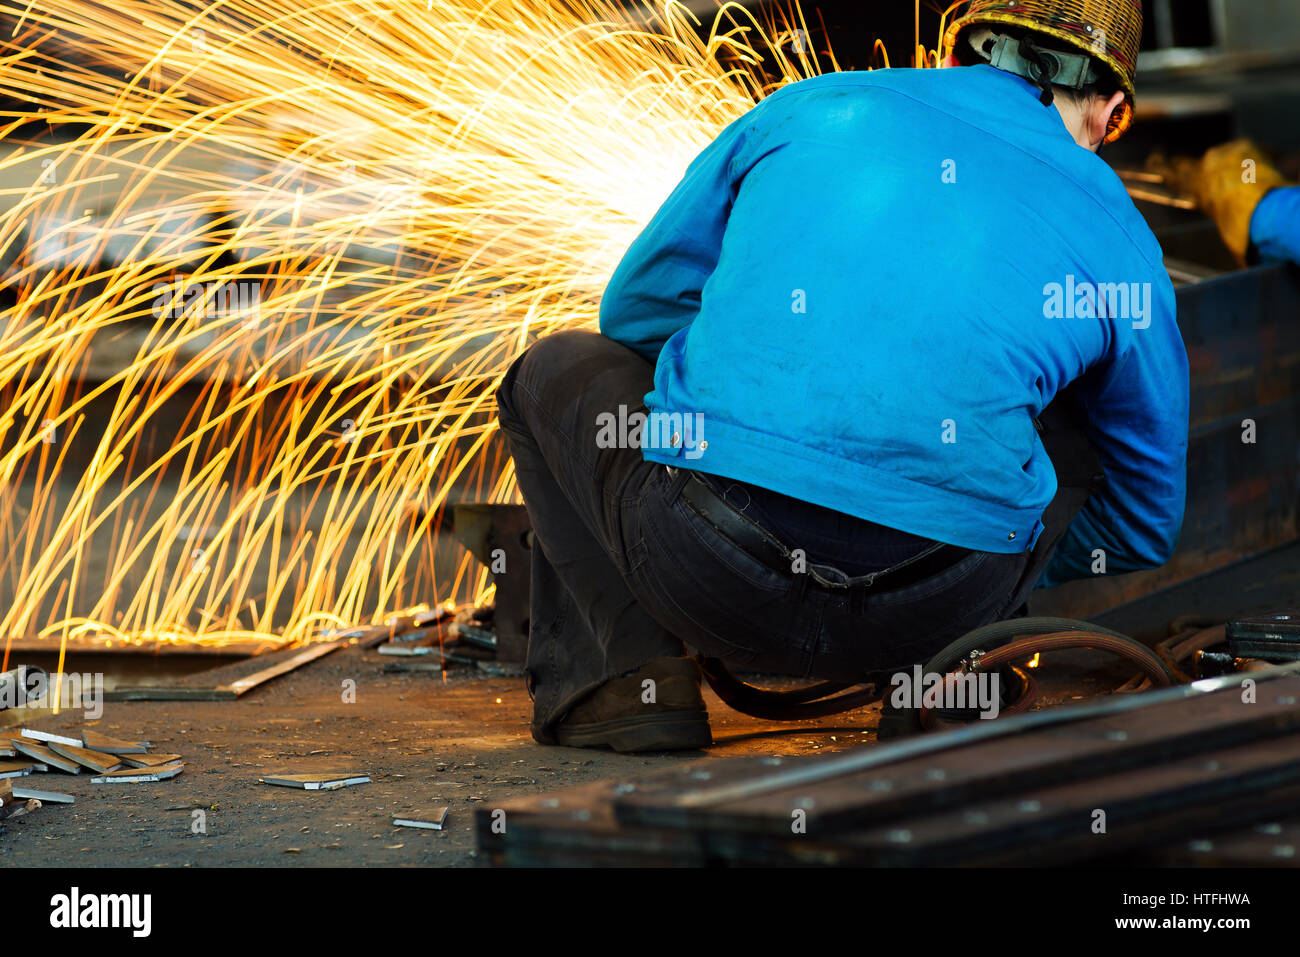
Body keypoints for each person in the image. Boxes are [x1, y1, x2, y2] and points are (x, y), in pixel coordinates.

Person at [495, 0, 1189, 751]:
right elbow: (1146, 518)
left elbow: (633, 314)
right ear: (1110, 110)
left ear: (953, 56)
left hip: (702, 568)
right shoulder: (1122, 237)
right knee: (1071, 427)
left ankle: (629, 687)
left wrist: (751, 373)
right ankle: (955, 674)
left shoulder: (814, 105)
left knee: (551, 369)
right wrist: (1000, 558)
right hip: (941, 604)